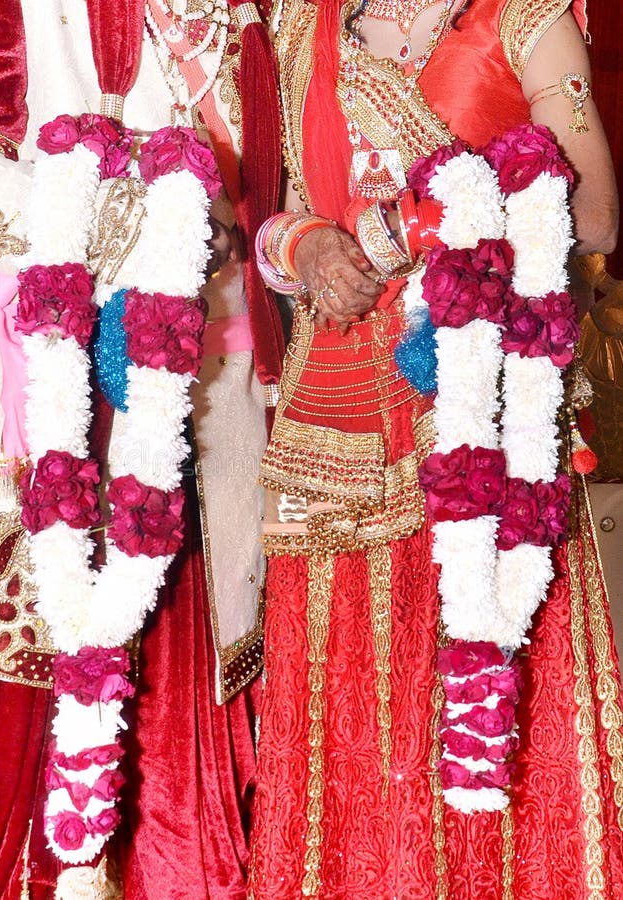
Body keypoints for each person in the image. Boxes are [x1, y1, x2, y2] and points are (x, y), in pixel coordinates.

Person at [0, 1, 283, 897]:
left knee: (188, 769)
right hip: (55, 412)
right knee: (19, 749)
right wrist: (141, 225)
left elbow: (280, 188)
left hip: (212, 411)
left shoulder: (248, 15)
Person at [248, 0, 623, 896]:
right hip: (334, 420)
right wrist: (302, 247)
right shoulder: (302, 28)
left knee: (490, 686)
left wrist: (405, 228)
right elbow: (272, 218)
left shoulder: (523, 21)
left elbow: (598, 216)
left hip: (486, 416)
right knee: (344, 709)